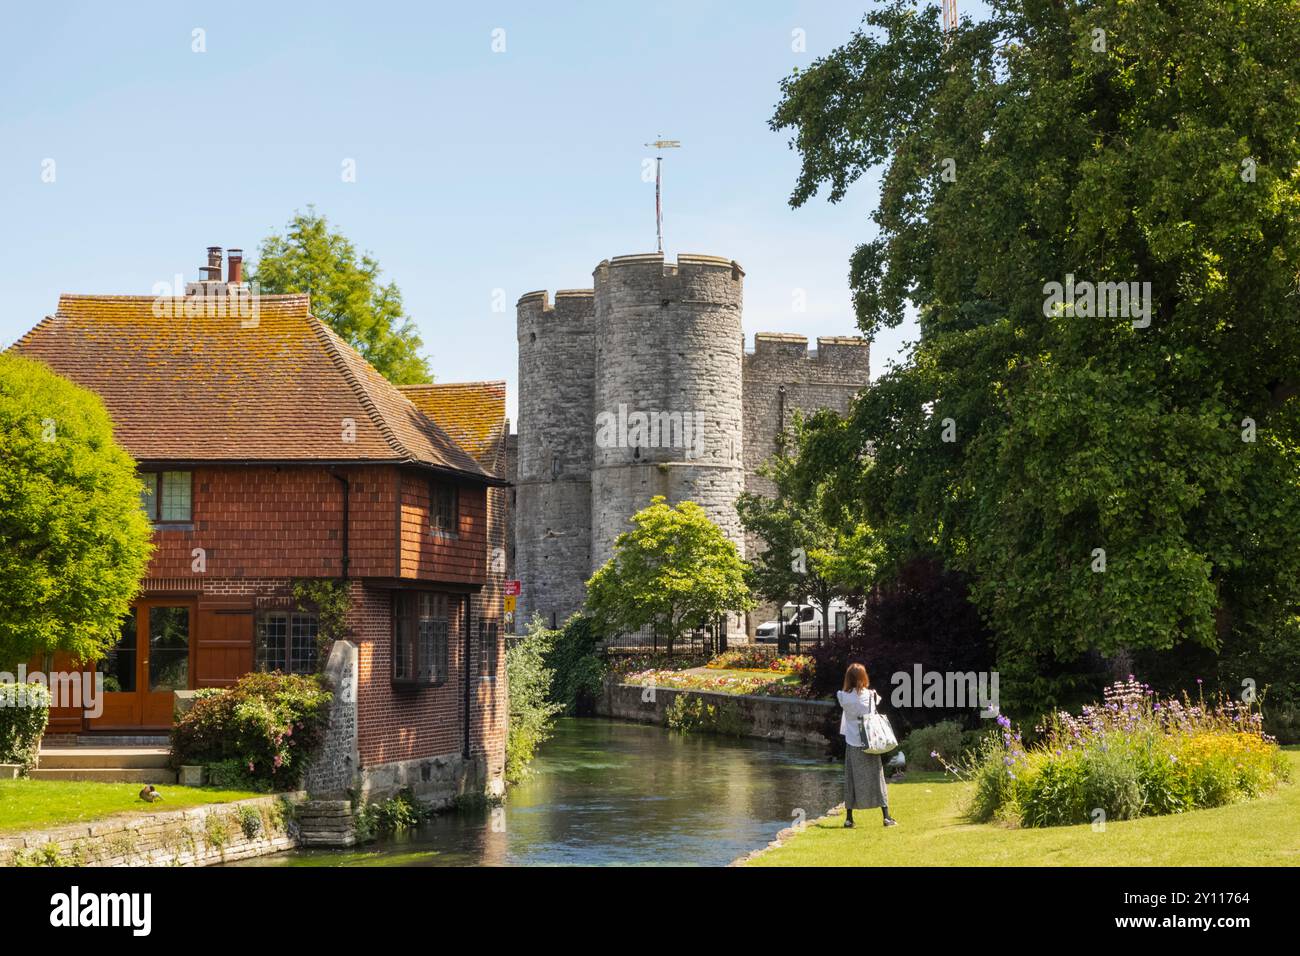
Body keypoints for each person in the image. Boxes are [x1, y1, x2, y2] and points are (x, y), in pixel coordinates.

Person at [836, 663, 898, 828]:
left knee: (851, 779)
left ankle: (849, 819)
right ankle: (886, 817)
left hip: (853, 743)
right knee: (877, 778)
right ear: (864, 677)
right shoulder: (872, 695)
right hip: (870, 742)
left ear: (848, 678)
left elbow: (847, 698)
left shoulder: (842, 696)